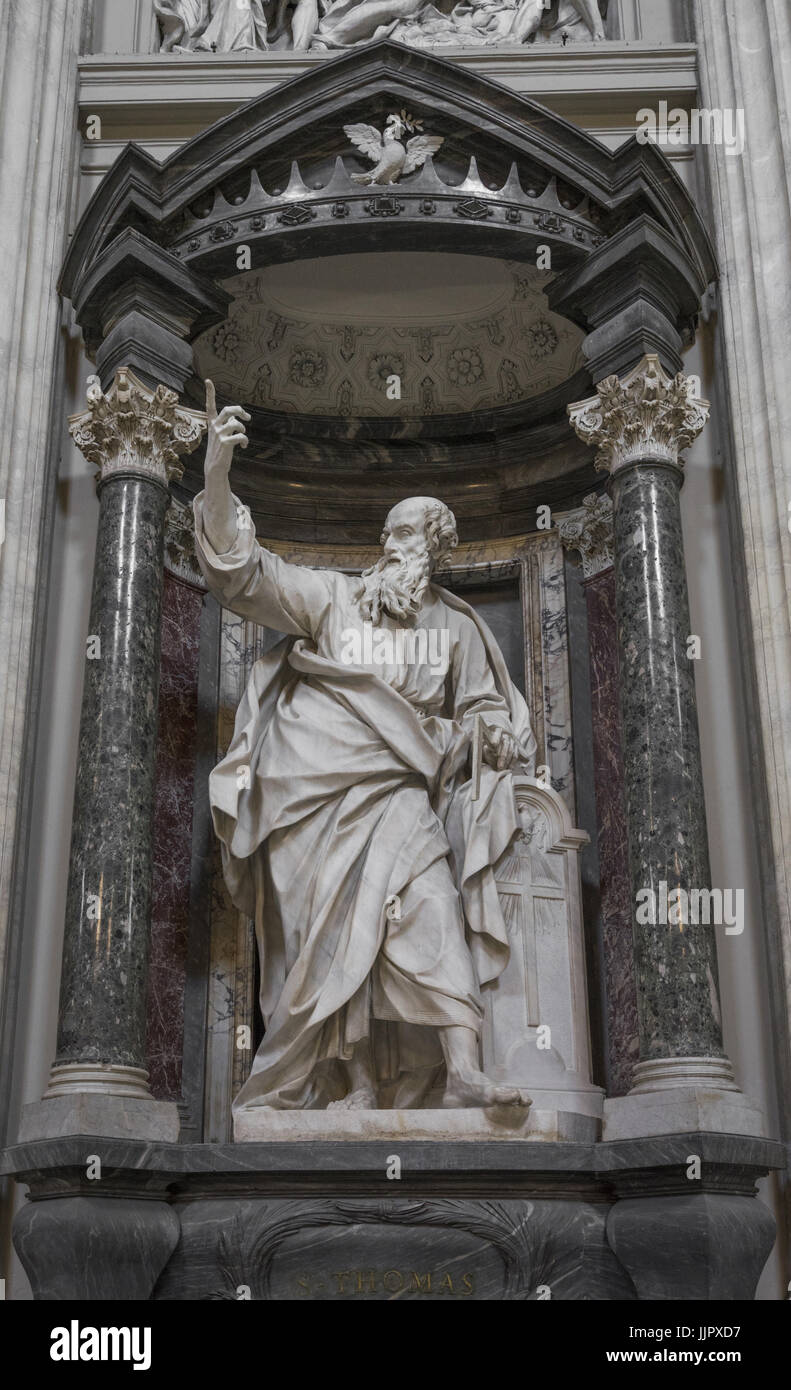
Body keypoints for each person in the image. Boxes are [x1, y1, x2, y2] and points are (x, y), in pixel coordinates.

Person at [194, 382, 537, 1111]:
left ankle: (463, 1072)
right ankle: (336, 1080)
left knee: (431, 908)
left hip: (400, 793)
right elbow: (245, 577)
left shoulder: (456, 629)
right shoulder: (333, 598)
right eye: (386, 532)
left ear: (434, 550)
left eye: (404, 535)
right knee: (320, 943)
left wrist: (493, 735)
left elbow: (483, 710)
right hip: (311, 799)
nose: (387, 544)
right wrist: (218, 476)